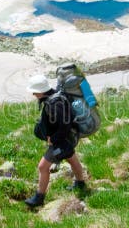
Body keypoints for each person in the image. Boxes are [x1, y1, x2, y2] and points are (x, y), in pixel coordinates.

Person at [24, 74, 88, 208]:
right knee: (72, 159)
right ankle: (80, 183)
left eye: (34, 92)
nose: (33, 94)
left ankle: (39, 197)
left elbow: (64, 125)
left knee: (42, 166)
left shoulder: (54, 103)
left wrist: (53, 139)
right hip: (68, 138)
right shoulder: (54, 96)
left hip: (61, 140)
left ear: (40, 91)